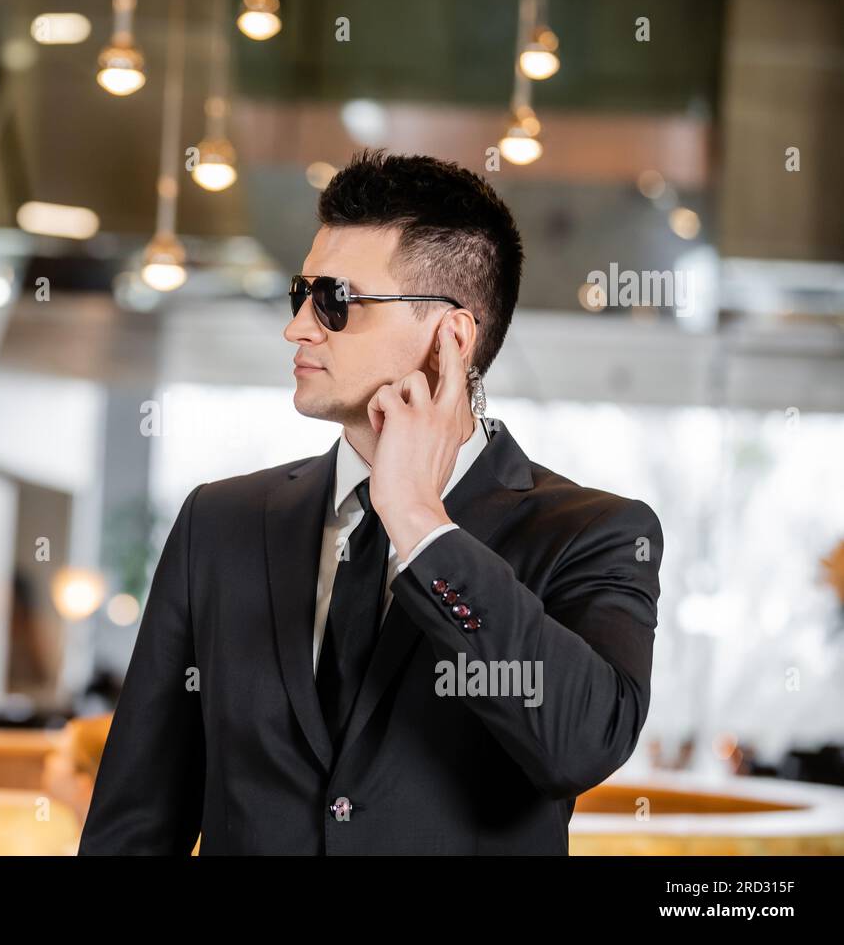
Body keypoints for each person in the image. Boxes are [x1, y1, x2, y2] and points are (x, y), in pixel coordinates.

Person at [79, 150, 665, 855]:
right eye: (301, 292)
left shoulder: (592, 532)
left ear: (450, 338)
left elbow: (580, 745)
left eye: (336, 300)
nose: (298, 326)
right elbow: (136, 821)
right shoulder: (220, 523)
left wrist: (419, 522)